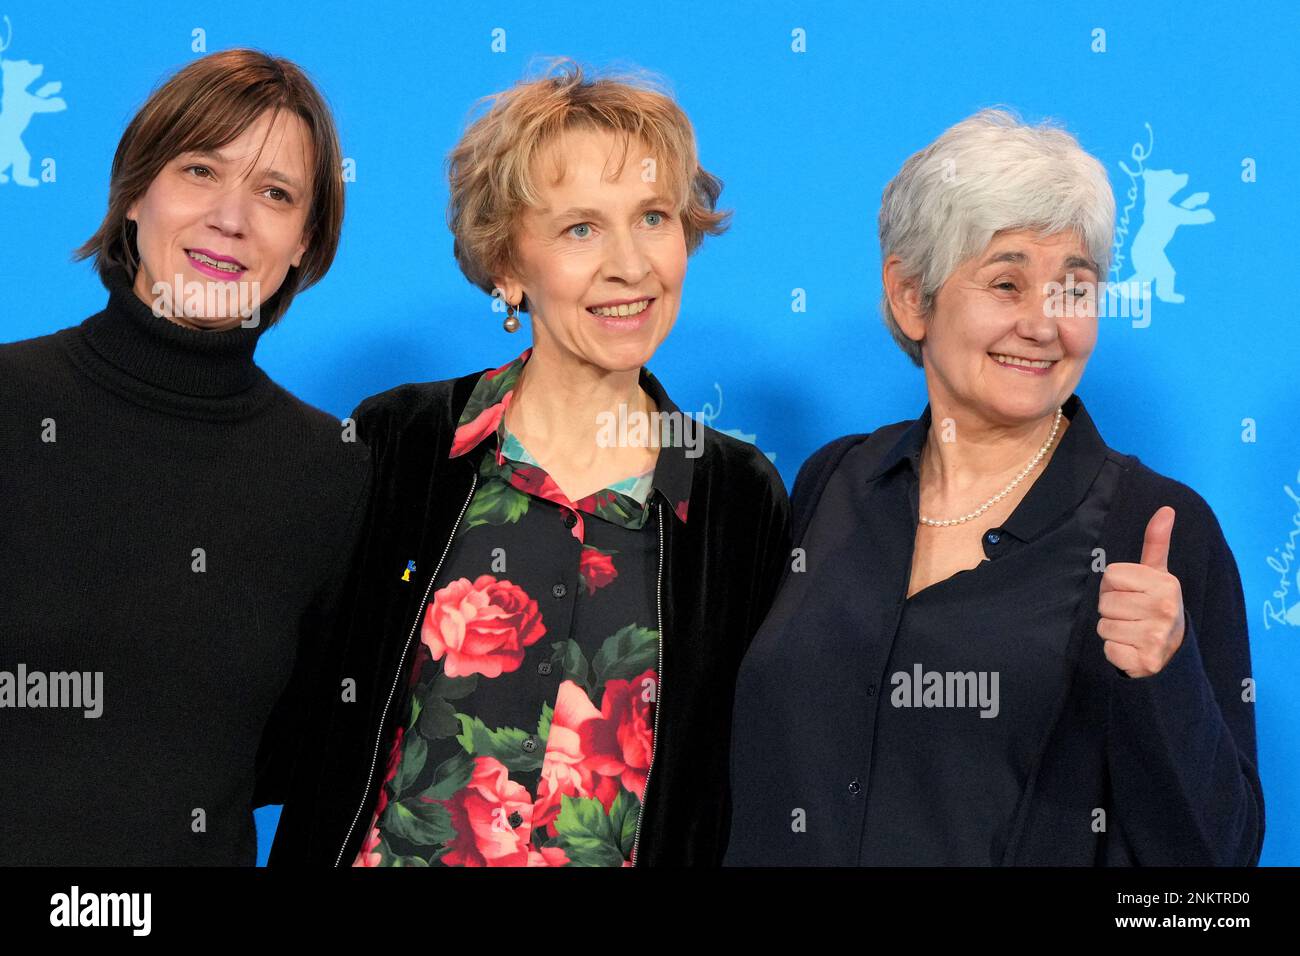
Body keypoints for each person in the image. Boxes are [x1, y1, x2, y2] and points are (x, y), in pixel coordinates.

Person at [269, 59, 790, 868]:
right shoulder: (403, 442)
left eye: (653, 217)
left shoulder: (736, 496)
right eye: (581, 229)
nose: (630, 264)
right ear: (508, 267)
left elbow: (742, 779)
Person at [725, 109, 1264, 866]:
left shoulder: (1157, 528)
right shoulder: (835, 481)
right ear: (911, 296)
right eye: (1007, 284)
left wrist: (1164, 679)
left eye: (1074, 289)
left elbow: (1218, 865)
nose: (1043, 325)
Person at [0, 49, 370, 865]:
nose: (231, 218)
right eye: (201, 170)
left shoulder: (330, 471)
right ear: (136, 193)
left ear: (305, 243)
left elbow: (302, 745)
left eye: (276, 193)